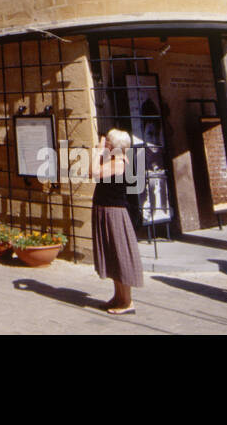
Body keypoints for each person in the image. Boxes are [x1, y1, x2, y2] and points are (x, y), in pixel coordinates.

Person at [90, 128, 143, 315]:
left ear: (115, 146)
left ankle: (127, 302)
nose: (106, 145)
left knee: (120, 255)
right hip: (106, 211)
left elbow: (93, 172)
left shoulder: (119, 163)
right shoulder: (114, 160)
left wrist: (97, 149)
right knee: (113, 255)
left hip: (114, 213)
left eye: (109, 143)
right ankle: (118, 297)